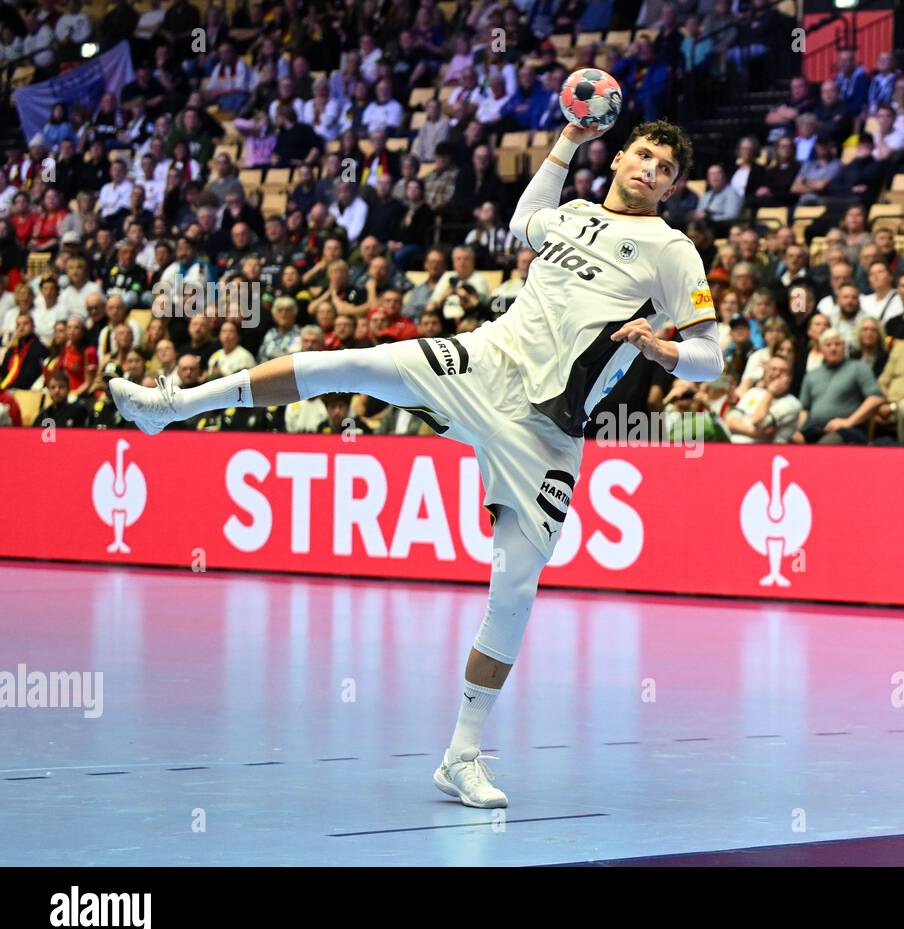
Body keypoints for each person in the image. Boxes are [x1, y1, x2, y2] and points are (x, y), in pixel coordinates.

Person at [109, 119, 723, 809]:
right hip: (485, 362)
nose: (651, 167)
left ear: (673, 185)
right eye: (644, 153)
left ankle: (461, 757)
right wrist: (569, 138)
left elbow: (715, 352)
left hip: (548, 431)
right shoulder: (574, 215)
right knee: (352, 364)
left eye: (667, 166)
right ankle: (174, 405)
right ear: (621, 158)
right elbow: (525, 221)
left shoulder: (673, 252)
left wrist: (666, 351)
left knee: (515, 592)